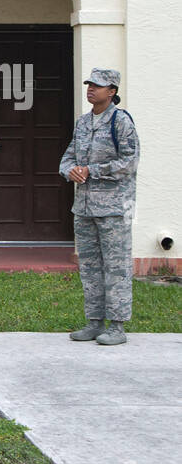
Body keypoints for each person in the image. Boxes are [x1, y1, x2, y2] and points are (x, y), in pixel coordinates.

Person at [60, 67, 140, 346]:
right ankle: (94, 323)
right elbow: (68, 158)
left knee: (115, 266)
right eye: (90, 84)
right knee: (90, 267)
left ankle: (117, 327)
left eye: (99, 85)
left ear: (112, 92)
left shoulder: (121, 122)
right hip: (83, 208)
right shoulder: (82, 123)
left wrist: (92, 170)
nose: (91, 89)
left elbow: (129, 162)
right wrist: (70, 171)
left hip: (113, 208)